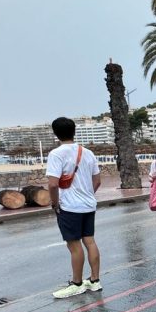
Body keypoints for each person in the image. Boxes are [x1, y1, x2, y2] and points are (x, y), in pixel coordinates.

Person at [46, 117, 102, 299]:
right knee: (90, 242)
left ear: (55, 133)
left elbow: (53, 184)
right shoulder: (88, 153)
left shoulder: (56, 154)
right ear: (74, 131)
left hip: (69, 207)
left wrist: (55, 204)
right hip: (88, 205)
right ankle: (95, 281)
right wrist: (88, 195)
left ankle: (77, 283)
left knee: (74, 245)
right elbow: (97, 180)